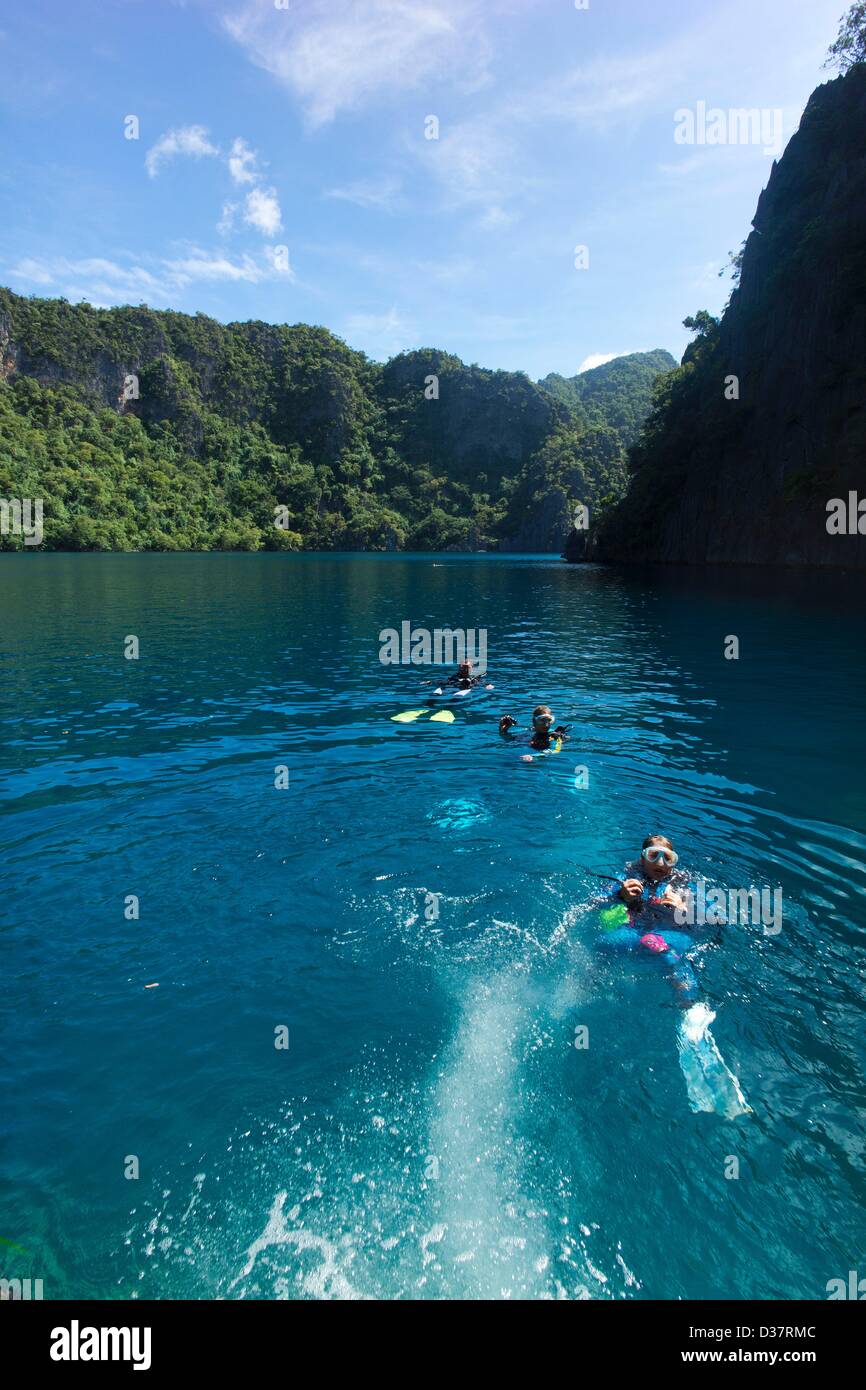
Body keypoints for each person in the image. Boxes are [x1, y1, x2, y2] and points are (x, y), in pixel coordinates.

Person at [499, 704, 570, 754]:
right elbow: (509, 740)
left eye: (549, 720)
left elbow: (555, 750)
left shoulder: (554, 736)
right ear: (534, 721)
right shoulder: (528, 731)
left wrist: (535, 756)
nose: (546, 724)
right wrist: (503, 730)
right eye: (542, 720)